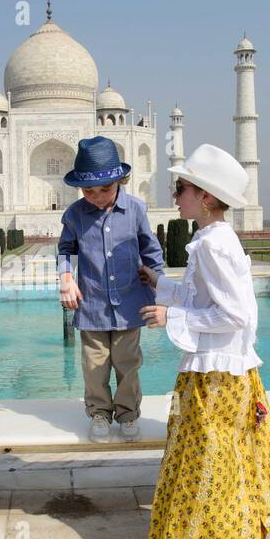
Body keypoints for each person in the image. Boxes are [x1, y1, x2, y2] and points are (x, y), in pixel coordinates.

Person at [126, 144, 270, 539]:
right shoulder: (213, 240)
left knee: (202, 466)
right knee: (242, 462)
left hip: (214, 378)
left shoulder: (213, 246)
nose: (175, 195)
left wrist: (171, 317)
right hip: (231, 371)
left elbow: (234, 314)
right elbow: (207, 300)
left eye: (181, 187)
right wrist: (160, 284)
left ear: (204, 196)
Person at [56, 136, 165, 443]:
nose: (97, 196)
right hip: (91, 304)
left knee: (128, 363)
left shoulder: (136, 209)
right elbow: (65, 251)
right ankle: (100, 413)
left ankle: (128, 414)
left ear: (120, 180)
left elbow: (151, 251)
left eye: (105, 188)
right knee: (95, 364)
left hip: (131, 302)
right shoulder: (76, 214)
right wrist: (66, 278)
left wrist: (159, 285)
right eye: (88, 190)